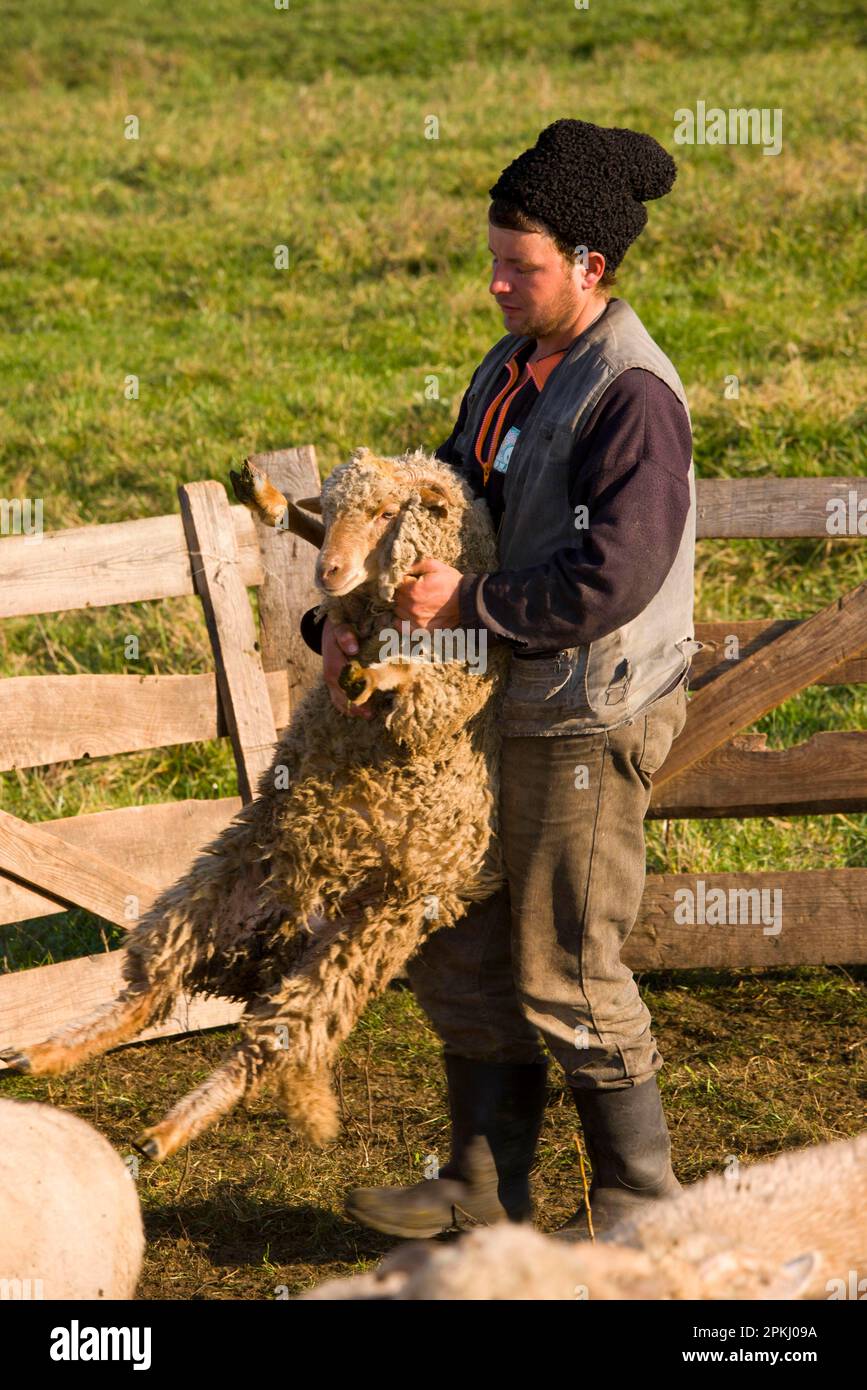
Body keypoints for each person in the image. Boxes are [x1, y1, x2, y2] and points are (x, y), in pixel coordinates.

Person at [299, 119, 699, 1241]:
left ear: (591, 268)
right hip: (497, 704)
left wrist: (467, 608)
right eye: (494, 260)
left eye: (519, 268)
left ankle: (638, 1210)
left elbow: (614, 572)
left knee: (565, 957)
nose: (495, 284)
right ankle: (481, 1183)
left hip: (589, 712)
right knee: (463, 936)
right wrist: (342, 617)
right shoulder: (510, 371)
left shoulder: (631, 395)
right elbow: (438, 510)